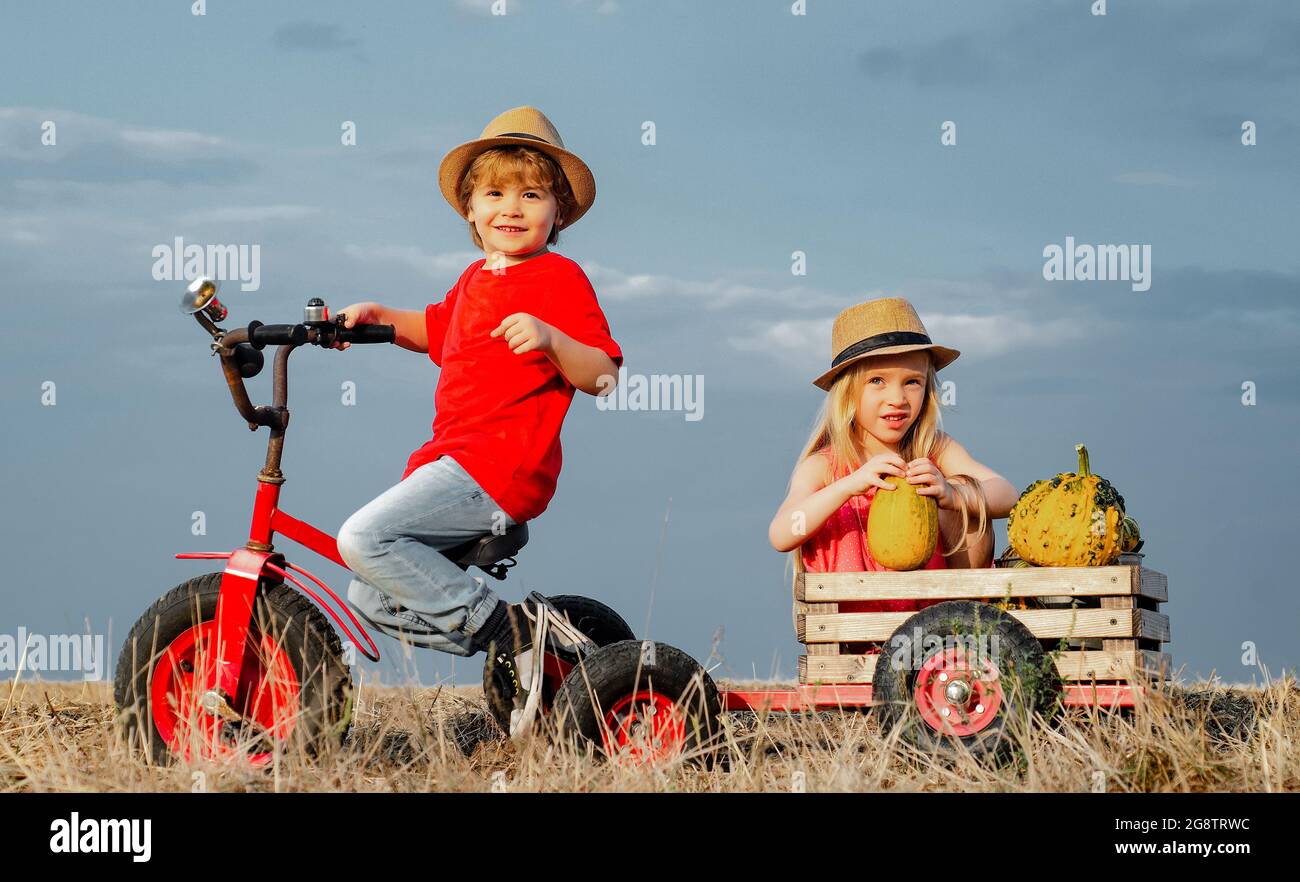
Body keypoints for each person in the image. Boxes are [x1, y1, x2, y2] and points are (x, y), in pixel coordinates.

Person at [331, 106, 622, 740]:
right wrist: (378, 315)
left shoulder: (559, 277)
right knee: (373, 595)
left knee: (361, 539)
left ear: (559, 212)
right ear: (470, 208)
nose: (511, 208)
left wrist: (551, 340)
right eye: (495, 193)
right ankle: (523, 645)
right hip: (450, 460)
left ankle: (507, 633)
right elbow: (434, 331)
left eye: (531, 193)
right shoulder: (472, 280)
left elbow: (602, 374)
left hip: (499, 466)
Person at [768, 297, 1019, 618]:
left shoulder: (933, 449)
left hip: (930, 621)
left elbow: (1007, 494)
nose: (897, 399)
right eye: (877, 381)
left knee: (969, 498)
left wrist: (951, 493)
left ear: (927, 388)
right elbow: (781, 534)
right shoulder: (825, 466)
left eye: (912, 382)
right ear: (847, 394)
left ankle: (966, 622)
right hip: (852, 627)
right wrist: (848, 486)